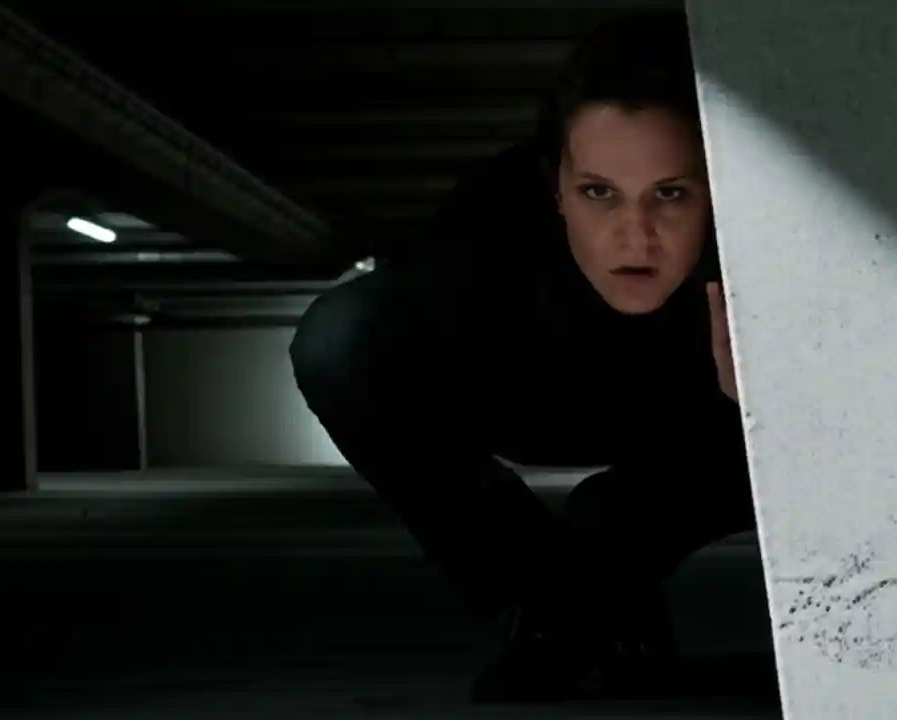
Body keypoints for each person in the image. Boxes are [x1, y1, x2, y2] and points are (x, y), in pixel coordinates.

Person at [289, 10, 756, 703]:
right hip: (545, 400)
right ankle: (559, 608)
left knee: (614, 521)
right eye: (599, 192)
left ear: (716, 190)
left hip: (699, 425)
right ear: (555, 188)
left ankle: (593, 591)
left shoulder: (767, 244)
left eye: (671, 195)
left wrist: (772, 405)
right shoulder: (489, 221)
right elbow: (371, 342)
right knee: (340, 335)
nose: (637, 237)